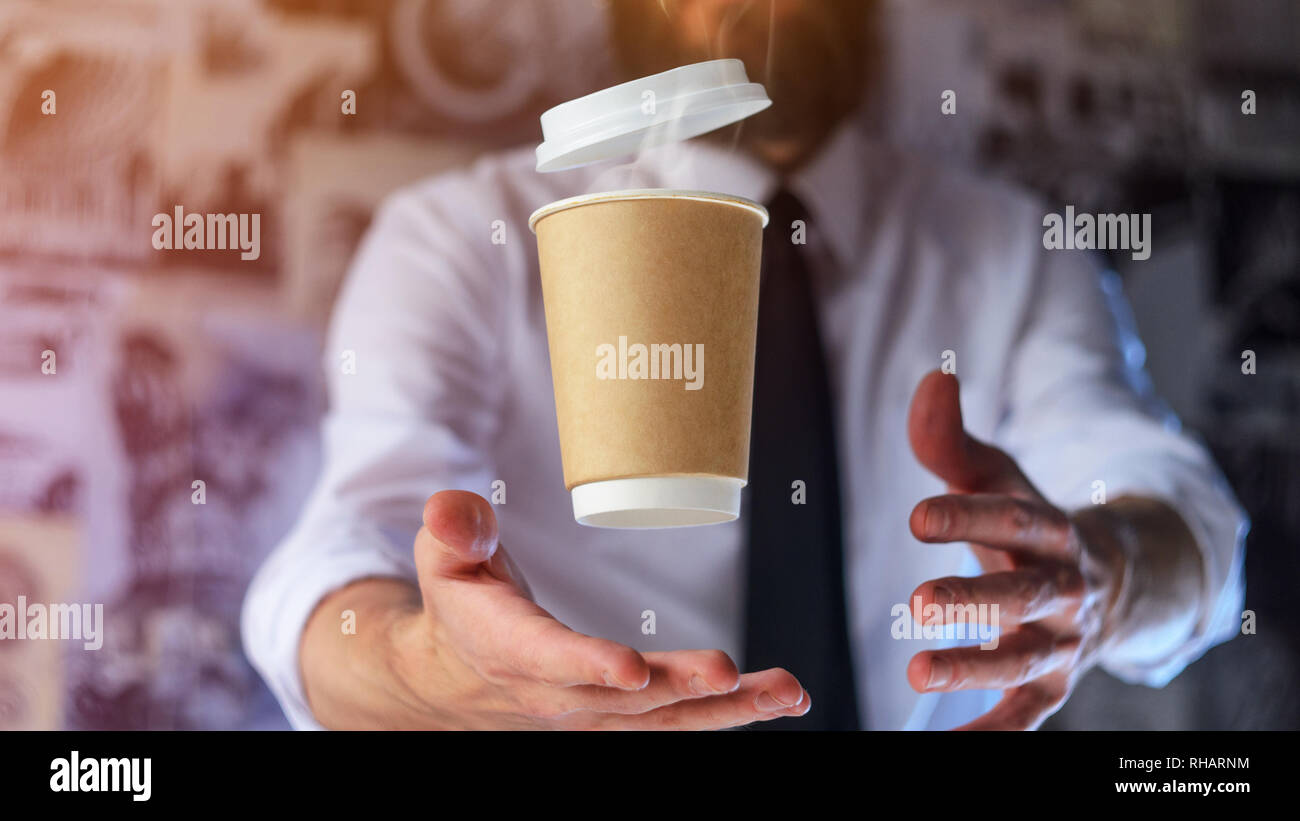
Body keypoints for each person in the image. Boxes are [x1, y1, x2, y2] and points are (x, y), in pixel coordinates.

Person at [241, 0, 1246, 730]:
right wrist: (429, 668)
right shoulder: (464, 239)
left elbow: (1175, 512)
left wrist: (1100, 573)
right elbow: (337, 555)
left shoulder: (1006, 252)